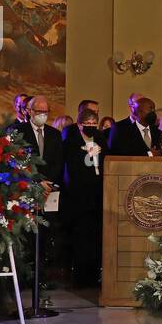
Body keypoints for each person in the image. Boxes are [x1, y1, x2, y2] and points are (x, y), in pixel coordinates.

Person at [61, 108, 106, 287]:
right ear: (79, 125)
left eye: (94, 124)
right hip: (78, 197)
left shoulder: (101, 139)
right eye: (87, 125)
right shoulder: (71, 141)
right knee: (80, 238)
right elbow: (72, 167)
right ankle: (80, 277)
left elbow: (107, 161)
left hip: (98, 195)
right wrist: (88, 154)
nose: (91, 127)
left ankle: (94, 275)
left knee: (95, 238)